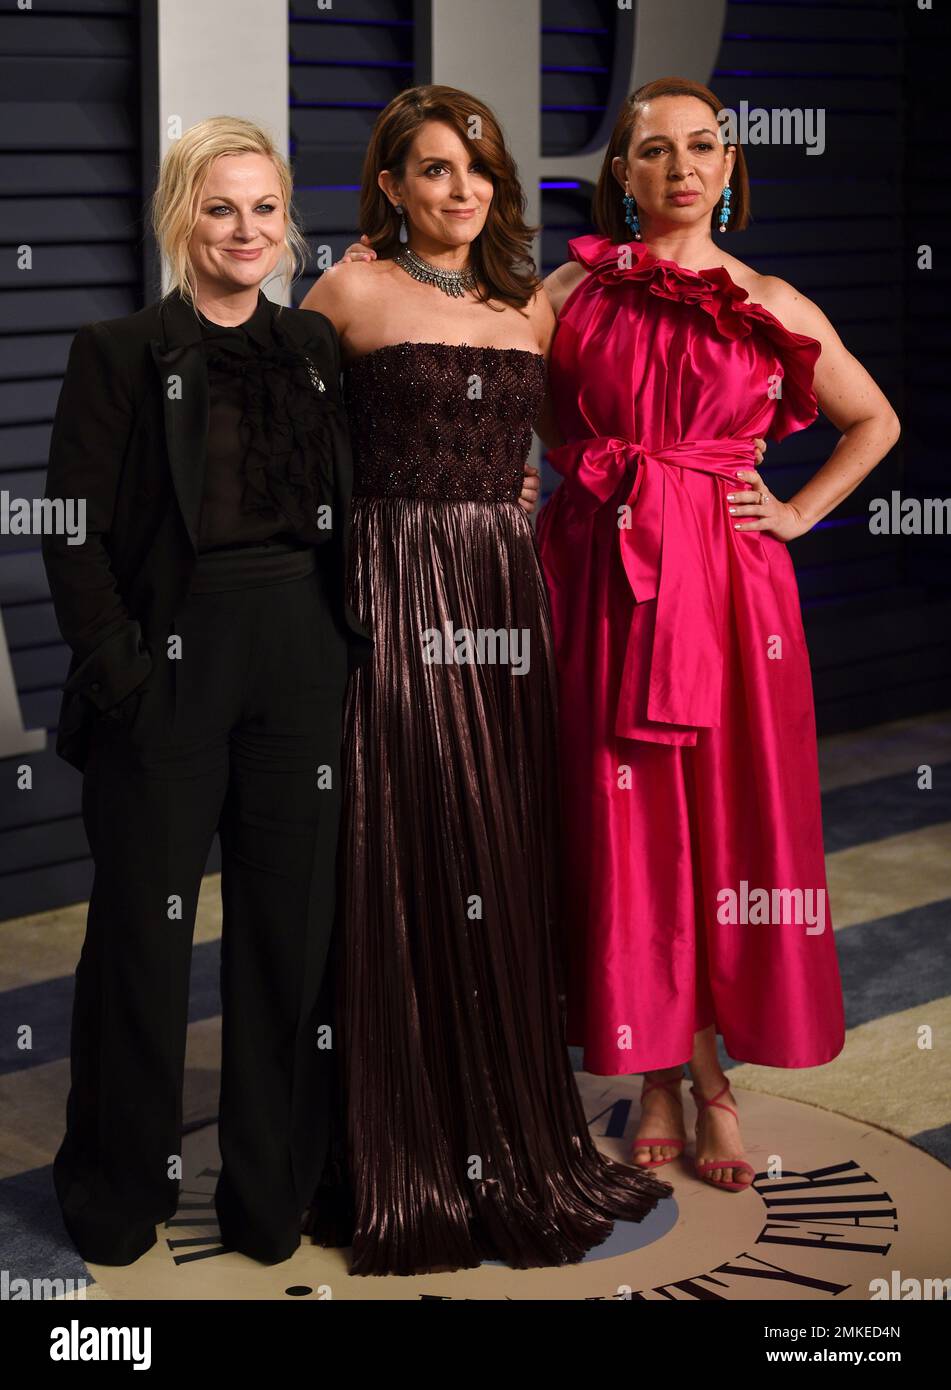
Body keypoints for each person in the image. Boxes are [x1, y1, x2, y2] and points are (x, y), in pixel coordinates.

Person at [299, 84, 672, 1276]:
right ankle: (398, 1142)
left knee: (499, 850)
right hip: (393, 587)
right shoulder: (348, 291)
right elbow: (285, 454)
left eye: (476, 171)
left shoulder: (530, 310)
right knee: (404, 846)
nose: (459, 192)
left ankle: (511, 1131)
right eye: (433, 171)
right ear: (393, 187)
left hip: (505, 599)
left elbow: (578, 442)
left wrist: (720, 467)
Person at [535, 78, 901, 1191]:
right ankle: (658, 1071)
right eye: (655, 150)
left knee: (733, 826)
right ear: (623, 173)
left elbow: (873, 418)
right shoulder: (566, 292)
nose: (682, 167)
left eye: (705, 147)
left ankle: (716, 1081)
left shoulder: (770, 298)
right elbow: (506, 397)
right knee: (629, 824)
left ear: (731, 170)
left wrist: (792, 513)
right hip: (608, 575)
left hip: (738, 594)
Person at [42, 116, 373, 1265]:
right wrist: (125, 675)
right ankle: (114, 1192)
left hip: (301, 661)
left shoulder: (318, 347)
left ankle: (268, 1197)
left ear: (288, 223)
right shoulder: (119, 347)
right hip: (169, 665)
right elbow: (72, 537)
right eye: (221, 206)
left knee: (290, 939)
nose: (246, 228)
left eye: (266, 208)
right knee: (142, 937)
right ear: (182, 217)